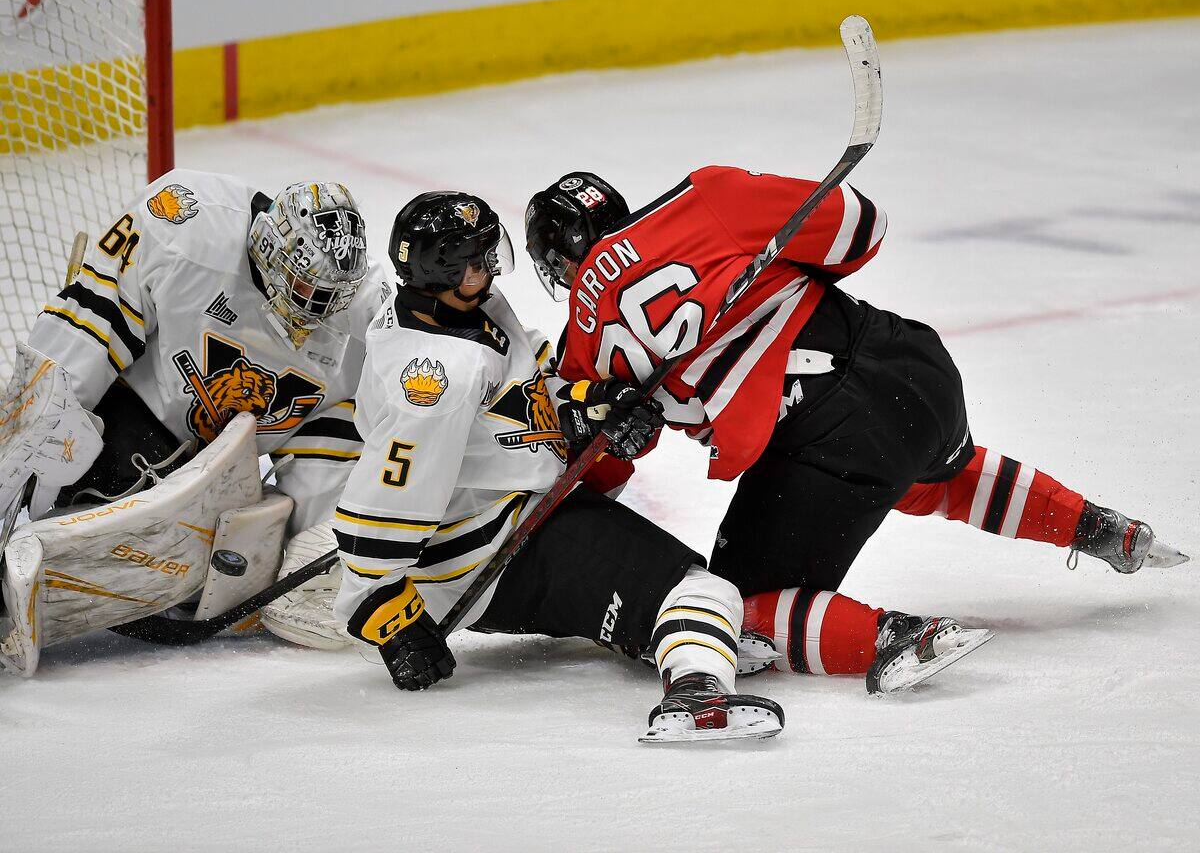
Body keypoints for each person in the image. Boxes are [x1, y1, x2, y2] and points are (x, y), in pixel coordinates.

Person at [522, 168, 1188, 683]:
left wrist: (615, 421)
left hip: (832, 439)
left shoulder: (583, 346)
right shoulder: (707, 196)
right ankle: (1098, 526)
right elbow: (861, 227)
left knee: (726, 604)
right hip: (916, 372)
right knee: (929, 478)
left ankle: (896, 638)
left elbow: (597, 471)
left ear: (558, 266)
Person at [328, 190, 785, 742]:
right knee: (703, 592)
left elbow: (522, 384)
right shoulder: (432, 381)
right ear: (437, 271)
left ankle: (659, 631)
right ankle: (697, 695)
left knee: (680, 601)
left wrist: (593, 401)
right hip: (492, 551)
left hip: (519, 517)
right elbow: (377, 505)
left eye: (487, 252)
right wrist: (389, 618)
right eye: (474, 260)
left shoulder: (461, 309)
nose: (489, 266)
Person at [13, 169, 386, 536]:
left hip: (231, 465)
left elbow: (363, 434)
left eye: (335, 298)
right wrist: (34, 434)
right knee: (53, 446)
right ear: (271, 248)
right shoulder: (184, 223)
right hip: (139, 422)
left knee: (313, 525)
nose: (314, 314)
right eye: (307, 291)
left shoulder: (368, 317)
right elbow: (84, 339)